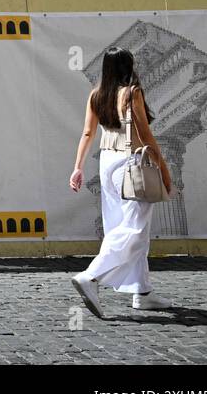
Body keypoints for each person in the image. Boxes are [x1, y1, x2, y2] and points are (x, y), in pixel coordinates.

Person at [68, 47, 174, 319]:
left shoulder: (96, 95)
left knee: (121, 225)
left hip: (107, 164)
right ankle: (91, 277)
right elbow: (145, 133)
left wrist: (78, 167)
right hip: (131, 163)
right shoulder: (131, 92)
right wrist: (163, 168)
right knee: (135, 230)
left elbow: (87, 132)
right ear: (129, 66)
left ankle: (143, 292)